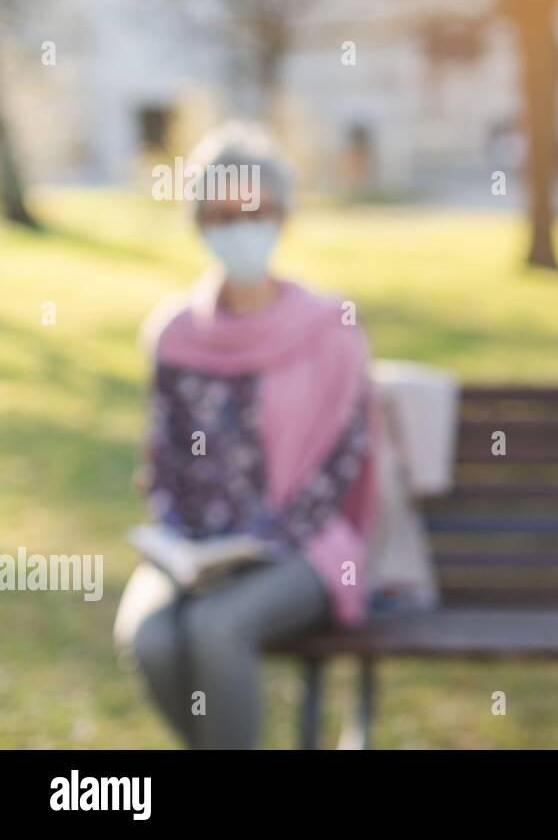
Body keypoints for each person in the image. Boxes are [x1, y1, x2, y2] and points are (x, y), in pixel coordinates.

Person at [113, 121, 378, 749]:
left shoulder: (328, 327)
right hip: (195, 550)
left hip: (304, 546)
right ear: (201, 223)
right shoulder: (175, 334)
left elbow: (349, 457)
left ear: (283, 217)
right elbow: (165, 457)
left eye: (256, 210)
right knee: (149, 637)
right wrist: (186, 542)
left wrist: (259, 542)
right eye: (224, 212)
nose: (241, 225)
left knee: (214, 629)